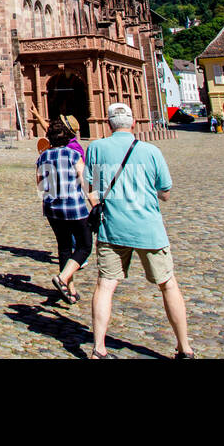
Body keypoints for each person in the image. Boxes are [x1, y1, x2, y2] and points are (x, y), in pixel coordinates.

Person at [85, 102, 195, 359]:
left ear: (107, 123)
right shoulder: (151, 150)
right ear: (133, 123)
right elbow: (165, 191)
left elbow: (91, 188)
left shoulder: (96, 148)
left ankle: (99, 349)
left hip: (112, 227)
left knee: (105, 285)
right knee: (168, 284)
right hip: (149, 228)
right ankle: (184, 347)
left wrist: (97, 206)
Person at [36, 117, 95, 304]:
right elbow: (86, 183)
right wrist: (96, 204)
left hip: (53, 209)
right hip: (74, 208)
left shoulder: (43, 156)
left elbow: (39, 185)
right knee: (85, 246)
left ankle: (70, 289)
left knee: (64, 248)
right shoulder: (73, 154)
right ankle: (62, 279)